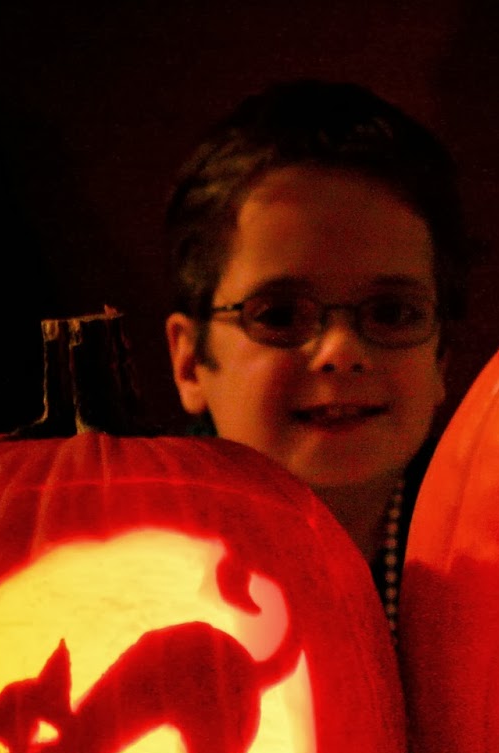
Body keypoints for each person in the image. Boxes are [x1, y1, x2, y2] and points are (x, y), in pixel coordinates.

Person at [163, 79, 467, 643]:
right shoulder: (135, 559)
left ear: (441, 357)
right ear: (189, 363)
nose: (340, 352)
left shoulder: (491, 563)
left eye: (393, 313)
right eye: (279, 315)